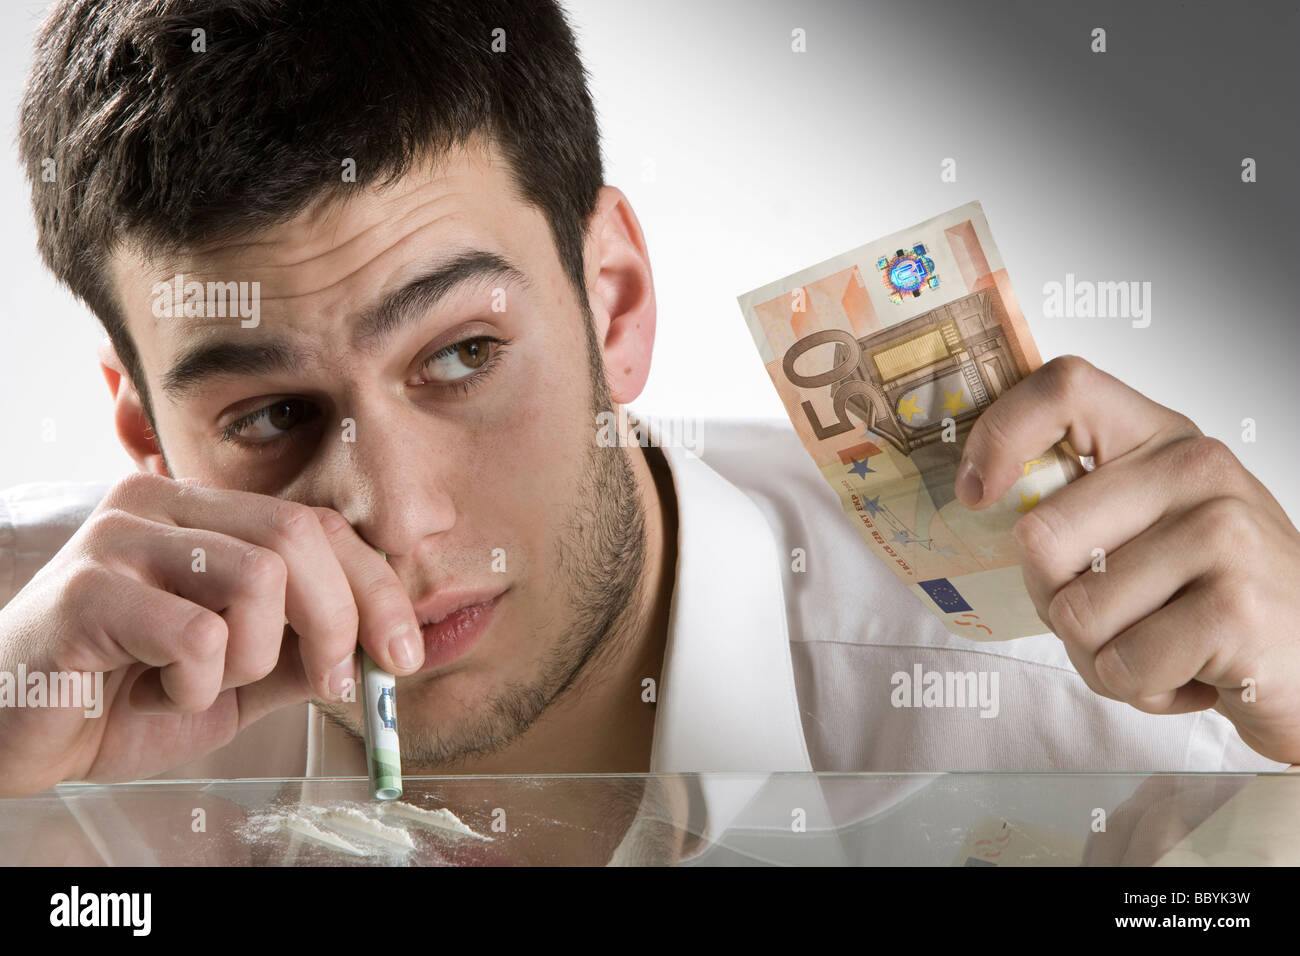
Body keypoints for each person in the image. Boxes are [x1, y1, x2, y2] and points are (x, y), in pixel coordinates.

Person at [2, 0, 1297, 837]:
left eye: (462, 354)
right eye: (270, 411)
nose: (395, 515)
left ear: (612, 302)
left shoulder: (1106, 728)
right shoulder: (39, 679)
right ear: (143, 437)